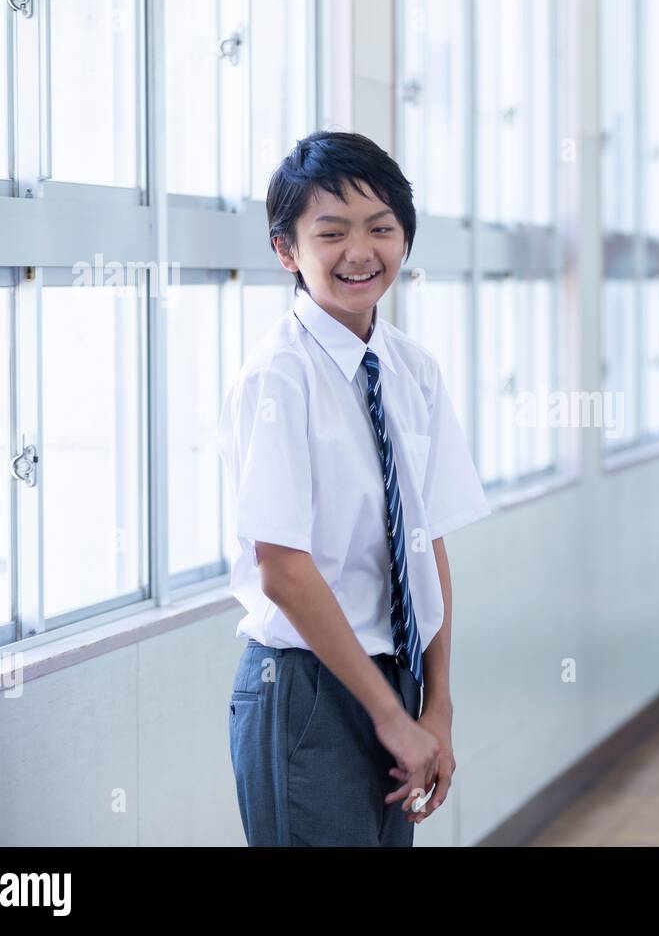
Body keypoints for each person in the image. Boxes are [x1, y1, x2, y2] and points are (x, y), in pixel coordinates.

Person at [219, 130, 490, 846]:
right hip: (305, 687)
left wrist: (437, 706)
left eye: (381, 229)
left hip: (394, 679)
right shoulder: (280, 375)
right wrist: (391, 717)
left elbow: (424, 541)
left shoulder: (412, 367)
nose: (360, 252)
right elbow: (283, 571)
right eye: (331, 232)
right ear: (287, 251)